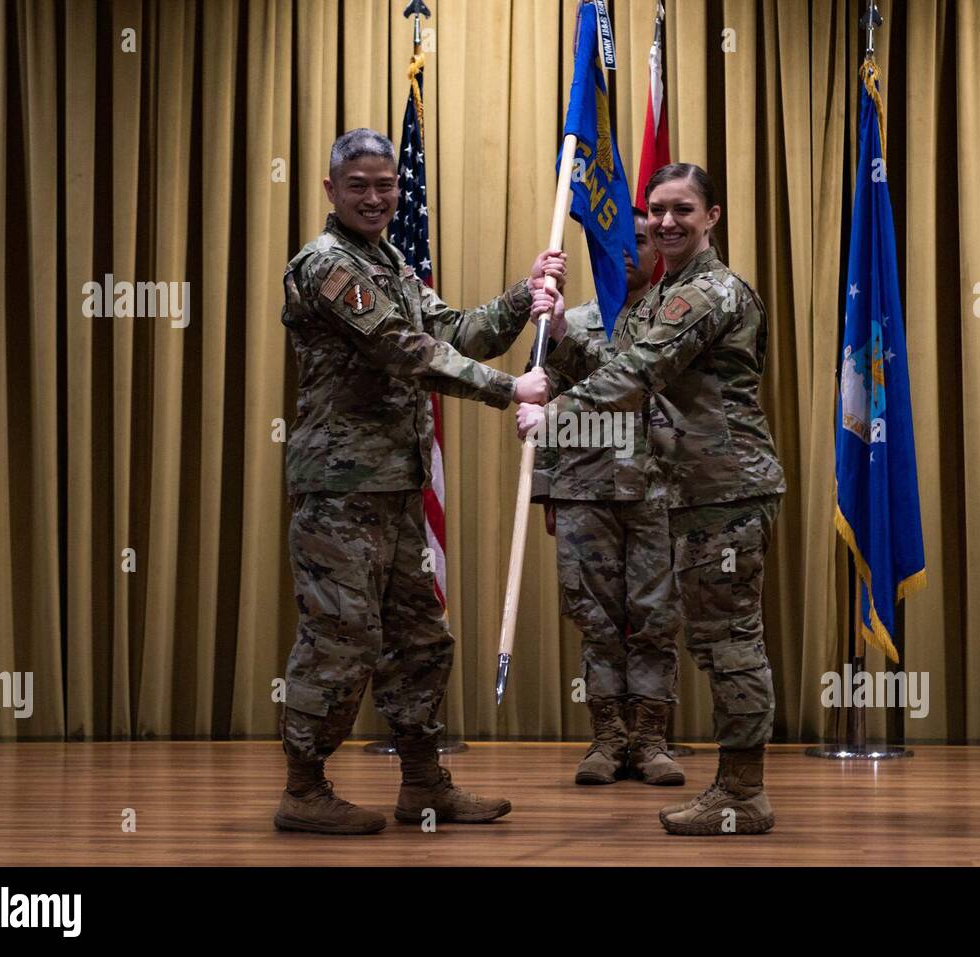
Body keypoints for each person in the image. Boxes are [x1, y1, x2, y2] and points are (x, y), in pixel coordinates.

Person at [274, 127, 563, 834]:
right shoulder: (325, 264)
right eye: (359, 185)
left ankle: (424, 784)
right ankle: (304, 790)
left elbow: (455, 330)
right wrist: (509, 389)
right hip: (340, 494)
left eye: (386, 185)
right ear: (331, 190)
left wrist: (524, 297)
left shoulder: (392, 262)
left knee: (421, 640)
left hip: (396, 490)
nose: (376, 197)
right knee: (337, 644)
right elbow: (402, 349)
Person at [518, 163, 786, 835]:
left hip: (723, 492)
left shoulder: (706, 293)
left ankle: (743, 792)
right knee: (717, 641)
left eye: (682, 210)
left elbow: (636, 373)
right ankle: (731, 783)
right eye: (657, 210)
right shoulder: (677, 292)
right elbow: (617, 354)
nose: (666, 222)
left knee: (730, 644)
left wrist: (548, 411)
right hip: (703, 491)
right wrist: (547, 311)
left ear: (712, 216)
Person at [531, 209, 684, 787]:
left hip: (657, 490)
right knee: (594, 617)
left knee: (654, 616)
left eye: (638, 240)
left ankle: (650, 741)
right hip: (584, 488)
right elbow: (546, 404)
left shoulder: (676, 320)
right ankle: (606, 739)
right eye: (614, 242)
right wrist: (547, 491)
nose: (626, 252)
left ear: (659, 249)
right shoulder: (569, 323)